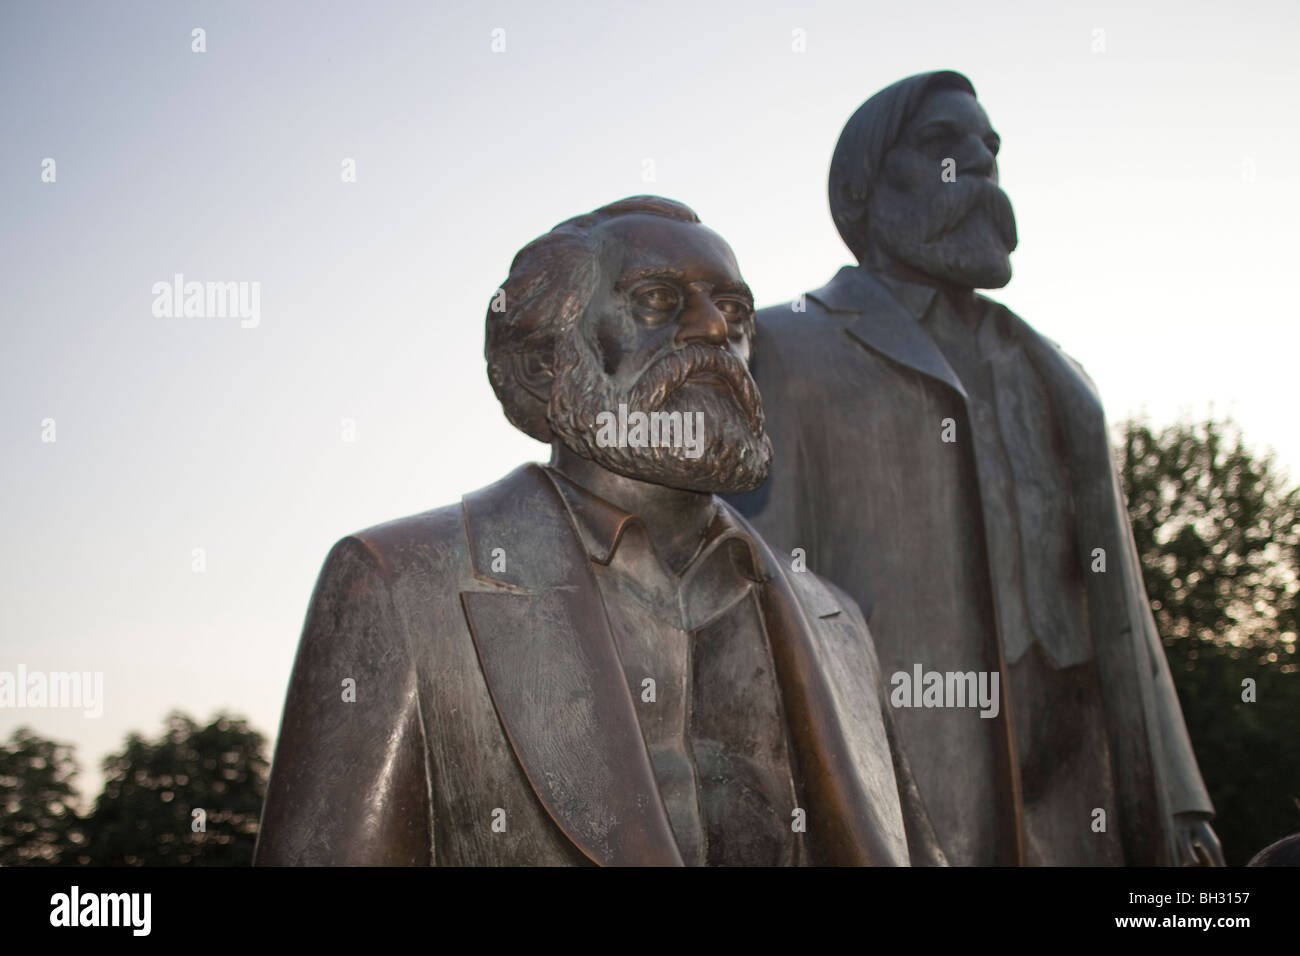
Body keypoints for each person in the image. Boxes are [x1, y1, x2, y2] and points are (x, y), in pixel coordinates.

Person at [254, 196, 939, 866]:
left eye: (733, 311)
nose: (711, 330)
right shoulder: (400, 583)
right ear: (546, 362)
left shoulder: (838, 626)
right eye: (656, 301)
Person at [729, 73, 1221, 866]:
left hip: (1085, 790)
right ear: (861, 187)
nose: (979, 164)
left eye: (988, 147)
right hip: (906, 774)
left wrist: (1177, 796)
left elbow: (1128, 610)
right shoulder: (788, 347)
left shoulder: (1059, 375)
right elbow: (757, 594)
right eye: (943, 145)